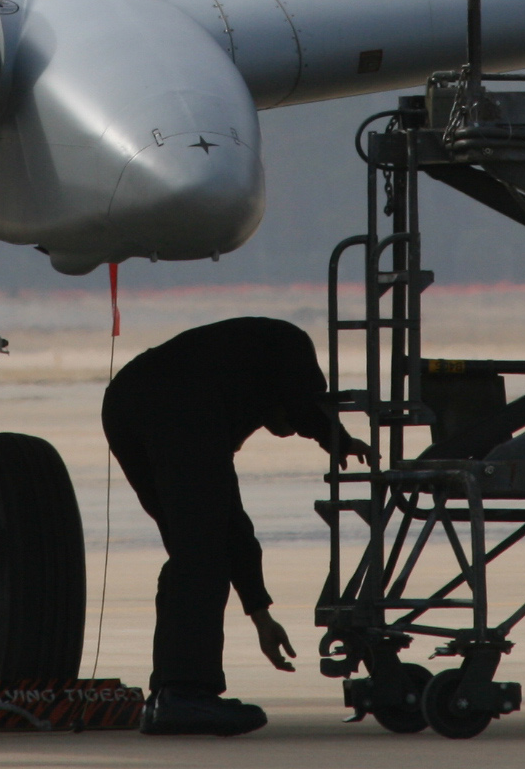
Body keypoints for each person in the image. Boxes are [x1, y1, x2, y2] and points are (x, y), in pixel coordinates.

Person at [101, 316, 360, 737]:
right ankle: (185, 694)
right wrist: (338, 440)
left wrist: (261, 615)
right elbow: (304, 406)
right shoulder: (287, 353)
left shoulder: (234, 390)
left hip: (126, 404)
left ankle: (170, 692)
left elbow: (232, 525)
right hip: (170, 402)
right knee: (201, 554)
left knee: (195, 548)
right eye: (289, 424)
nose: (289, 431)